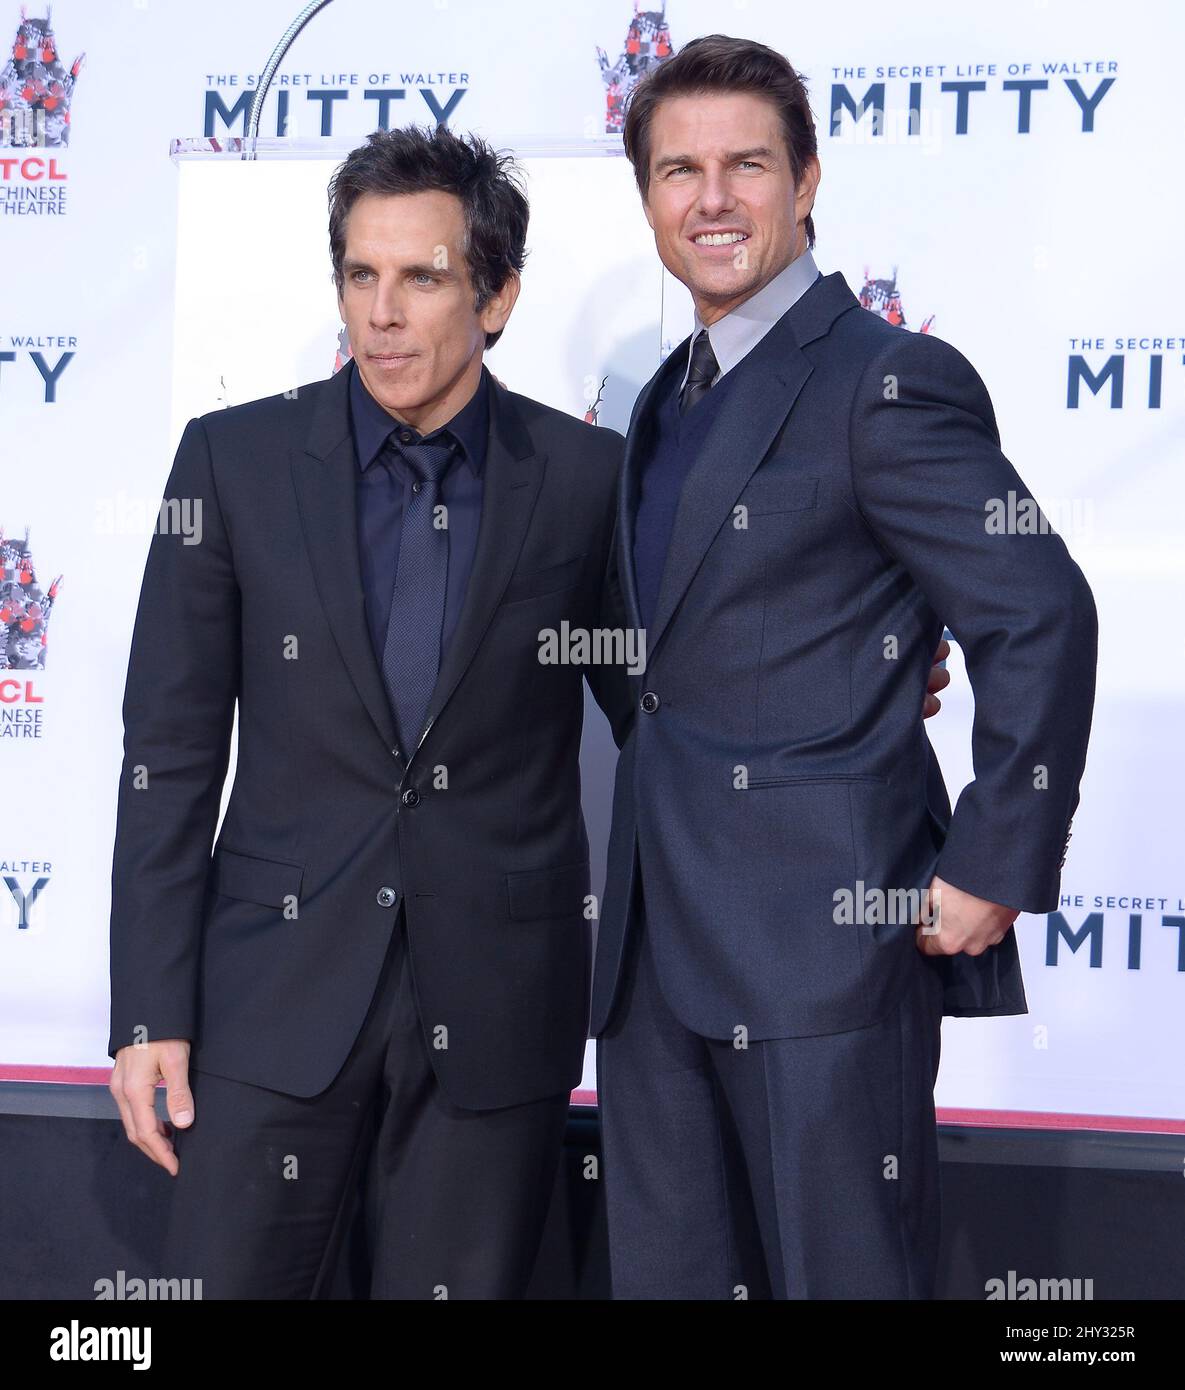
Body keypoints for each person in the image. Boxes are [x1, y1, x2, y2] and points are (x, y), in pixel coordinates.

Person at [590, 35, 1098, 1299]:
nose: (711, 198)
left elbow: (1042, 608)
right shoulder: (662, 396)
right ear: (647, 196)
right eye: (678, 170)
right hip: (653, 951)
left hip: (823, 944)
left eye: (745, 165)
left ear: (807, 179)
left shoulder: (885, 379)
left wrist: (993, 859)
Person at [106, 124, 635, 1299]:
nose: (382, 312)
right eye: (361, 273)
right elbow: (170, 753)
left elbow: (664, 706)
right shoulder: (231, 464)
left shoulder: (588, 480)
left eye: (423, 277)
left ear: (496, 296)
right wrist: (148, 1007)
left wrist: (860, 676)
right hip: (268, 1004)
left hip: (495, 1015)